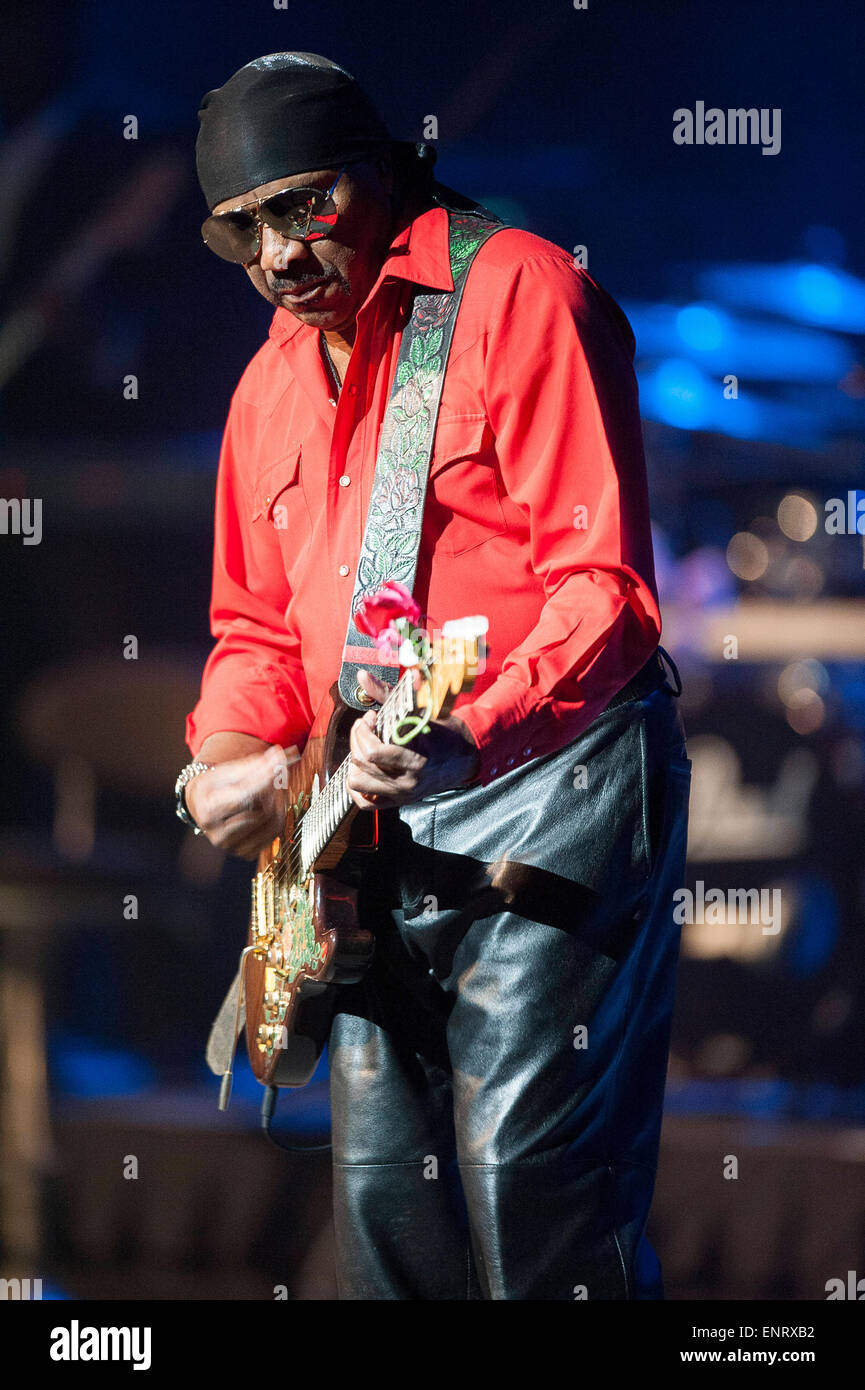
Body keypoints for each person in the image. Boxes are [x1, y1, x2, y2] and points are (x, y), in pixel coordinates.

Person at [179, 50, 691, 1300]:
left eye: (304, 206)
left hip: (552, 787)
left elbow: (604, 588)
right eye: (244, 230)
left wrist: (477, 730)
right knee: (384, 1209)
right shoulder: (264, 390)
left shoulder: (519, 292)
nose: (280, 256)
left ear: (382, 171)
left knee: (527, 1184)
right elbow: (255, 628)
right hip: (367, 825)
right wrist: (221, 765)